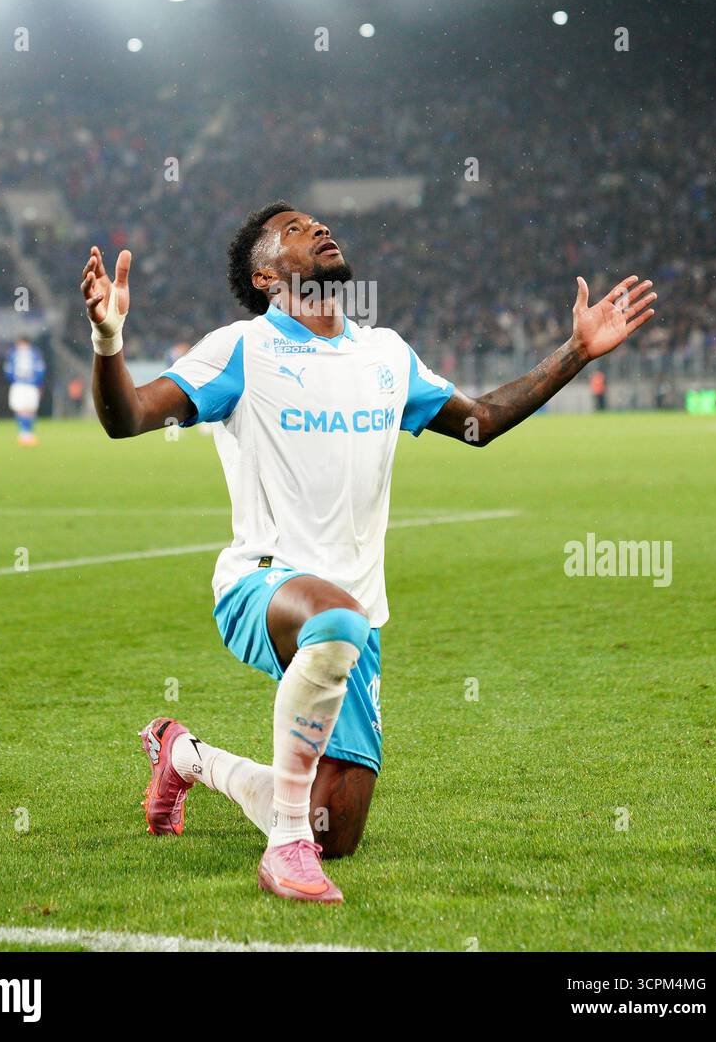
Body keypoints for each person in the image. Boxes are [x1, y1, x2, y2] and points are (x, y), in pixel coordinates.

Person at [80, 202, 656, 904]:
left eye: (319, 223)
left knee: (336, 830)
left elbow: (483, 422)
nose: (319, 229)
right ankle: (282, 855)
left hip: (357, 616)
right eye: (294, 229)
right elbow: (128, 417)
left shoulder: (385, 356)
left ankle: (184, 756)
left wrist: (576, 352)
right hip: (261, 585)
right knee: (335, 623)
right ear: (266, 276)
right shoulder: (242, 350)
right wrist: (109, 338)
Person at [3, 336, 46, 445]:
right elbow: (40, 370)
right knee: (29, 409)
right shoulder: (35, 353)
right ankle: (28, 434)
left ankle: (24, 433)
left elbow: (8, 371)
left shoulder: (13, 353)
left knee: (22, 409)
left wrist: (14, 380)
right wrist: (37, 383)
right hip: (31, 385)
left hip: (19, 385)